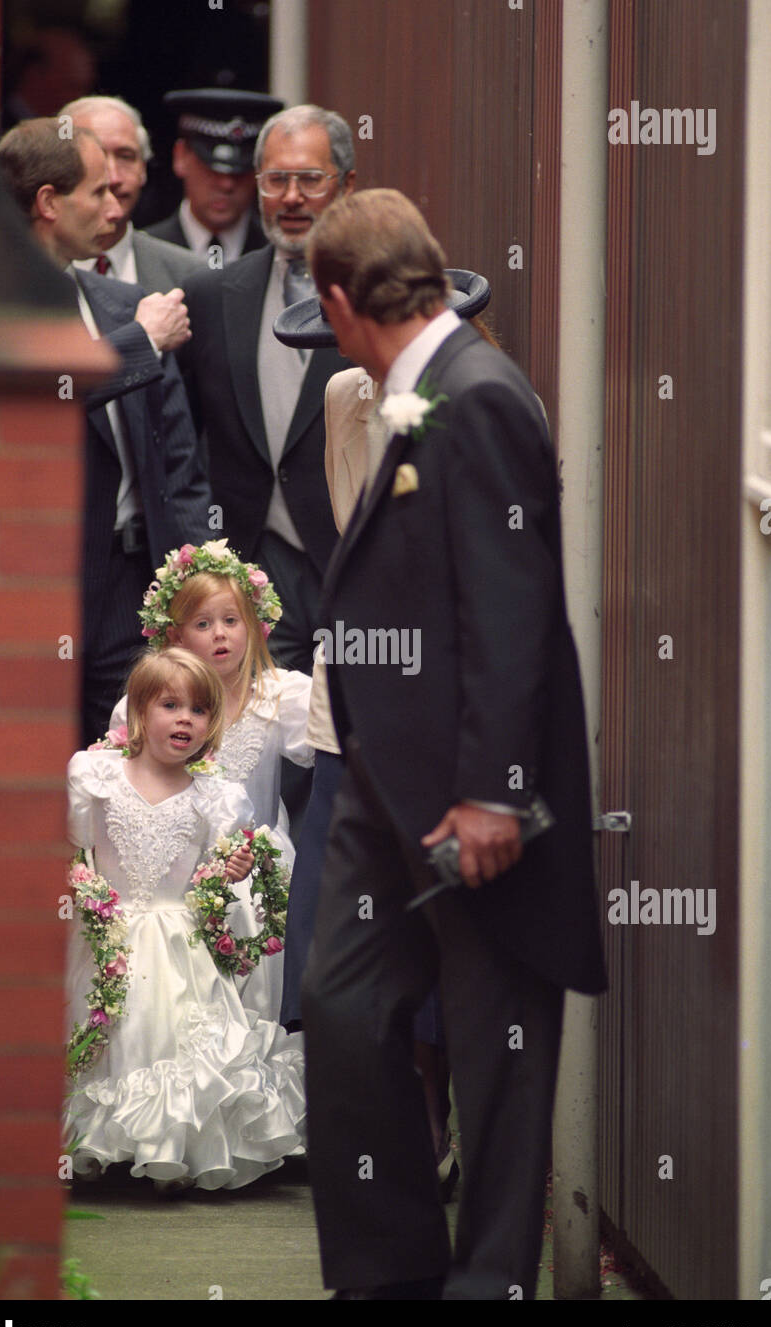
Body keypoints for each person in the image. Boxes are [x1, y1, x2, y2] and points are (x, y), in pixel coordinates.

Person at [300, 189, 607, 1300]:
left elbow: (511, 610)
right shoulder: (412, 391)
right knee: (339, 1014)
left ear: (340, 301)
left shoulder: (475, 396)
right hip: (382, 793)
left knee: (498, 1064)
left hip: (474, 808)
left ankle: (486, 1287)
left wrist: (489, 795)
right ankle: (385, 1278)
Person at [274, 271, 493, 1205]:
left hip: (438, 718)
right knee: (336, 938)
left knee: (436, 933)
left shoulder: (481, 396)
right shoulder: (341, 395)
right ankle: (375, 1128)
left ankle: (434, 1122)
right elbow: (347, 525)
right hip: (347, 704)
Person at [0, 118, 211, 746]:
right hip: (34, 579)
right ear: (47, 202)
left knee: (129, 769)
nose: (116, 209)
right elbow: (39, 391)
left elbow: (178, 464)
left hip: (130, 582)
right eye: (98, 193)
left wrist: (199, 580)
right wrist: (140, 343)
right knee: (34, 763)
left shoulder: (122, 301)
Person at [65, 647, 306, 1194]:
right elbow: (74, 851)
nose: (184, 719)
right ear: (139, 713)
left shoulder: (216, 798)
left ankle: (166, 1149)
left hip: (181, 941)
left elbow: (213, 876)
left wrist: (233, 868)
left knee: (177, 1034)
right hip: (110, 934)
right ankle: (102, 1146)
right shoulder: (96, 776)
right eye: (169, 705)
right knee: (116, 1033)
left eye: (198, 710)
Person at [177, 104, 356, 679]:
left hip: (352, 567)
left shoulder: (380, 297)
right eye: (276, 180)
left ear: (347, 185)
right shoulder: (211, 294)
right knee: (261, 754)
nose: (292, 197)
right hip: (252, 571)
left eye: (310, 179)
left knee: (344, 747)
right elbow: (181, 440)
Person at [106, 540, 313, 1022]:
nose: (220, 635)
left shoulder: (276, 694)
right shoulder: (151, 706)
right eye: (203, 624)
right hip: (175, 869)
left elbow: (333, 747)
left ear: (253, 626)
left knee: (253, 1005)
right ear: (175, 637)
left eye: (231, 621)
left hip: (255, 869)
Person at [60, 96, 206, 292]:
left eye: (126, 157)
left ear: (143, 170)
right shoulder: (28, 270)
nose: (113, 177)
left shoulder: (190, 276)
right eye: (95, 157)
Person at [144, 88, 282, 264]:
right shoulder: (145, 253)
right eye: (211, 170)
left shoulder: (277, 253)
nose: (226, 184)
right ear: (180, 157)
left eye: (239, 171)